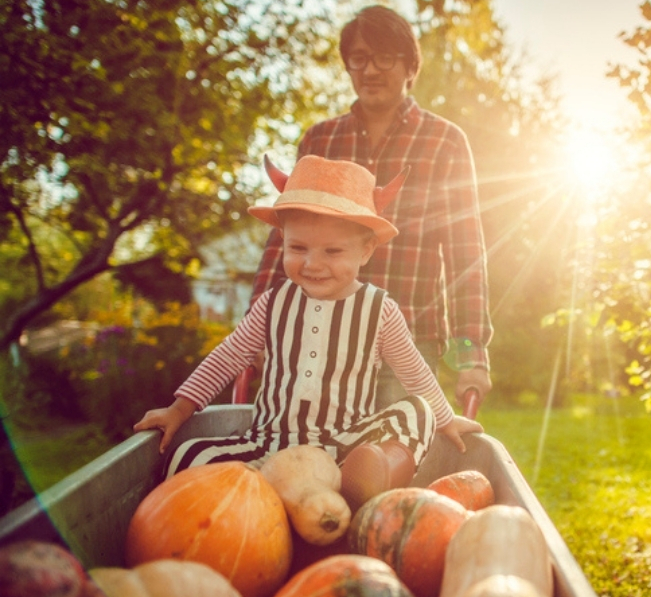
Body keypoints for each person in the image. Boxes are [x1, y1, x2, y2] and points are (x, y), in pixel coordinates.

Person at [133, 154, 483, 509]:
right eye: (298, 248)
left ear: (365, 250)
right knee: (188, 454)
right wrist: (179, 410)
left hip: (345, 449)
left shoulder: (380, 311)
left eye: (333, 251)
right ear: (282, 239)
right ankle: (248, 504)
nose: (313, 264)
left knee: (417, 410)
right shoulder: (272, 304)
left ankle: (372, 482)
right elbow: (228, 356)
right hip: (267, 446)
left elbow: (414, 371)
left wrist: (445, 417)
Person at [249, 4, 493, 411]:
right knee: (310, 458)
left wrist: (472, 354)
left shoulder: (444, 141)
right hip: (319, 334)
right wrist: (259, 325)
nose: (370, 69)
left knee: (391, 462)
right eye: (359, 59)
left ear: (410, 66)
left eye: (385, 57)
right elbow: (285, 237)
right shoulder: (320, 141)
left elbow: (465, 249)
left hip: (408, 343)